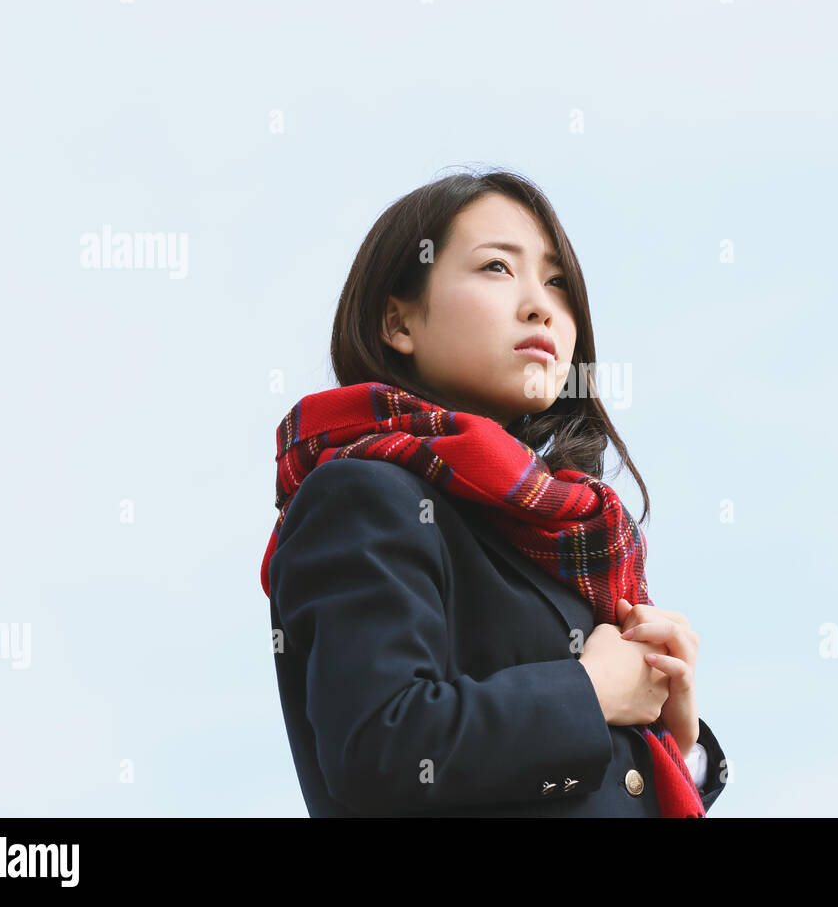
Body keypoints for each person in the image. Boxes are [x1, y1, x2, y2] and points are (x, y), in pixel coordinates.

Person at [261, 168, 727, 816]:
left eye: (557, 283)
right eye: (497, 269)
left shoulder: (566, 535)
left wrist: (673, 745)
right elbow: (382, 752)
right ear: (398, 322)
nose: (540, 304)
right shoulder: (361, 495)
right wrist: (591, 692)